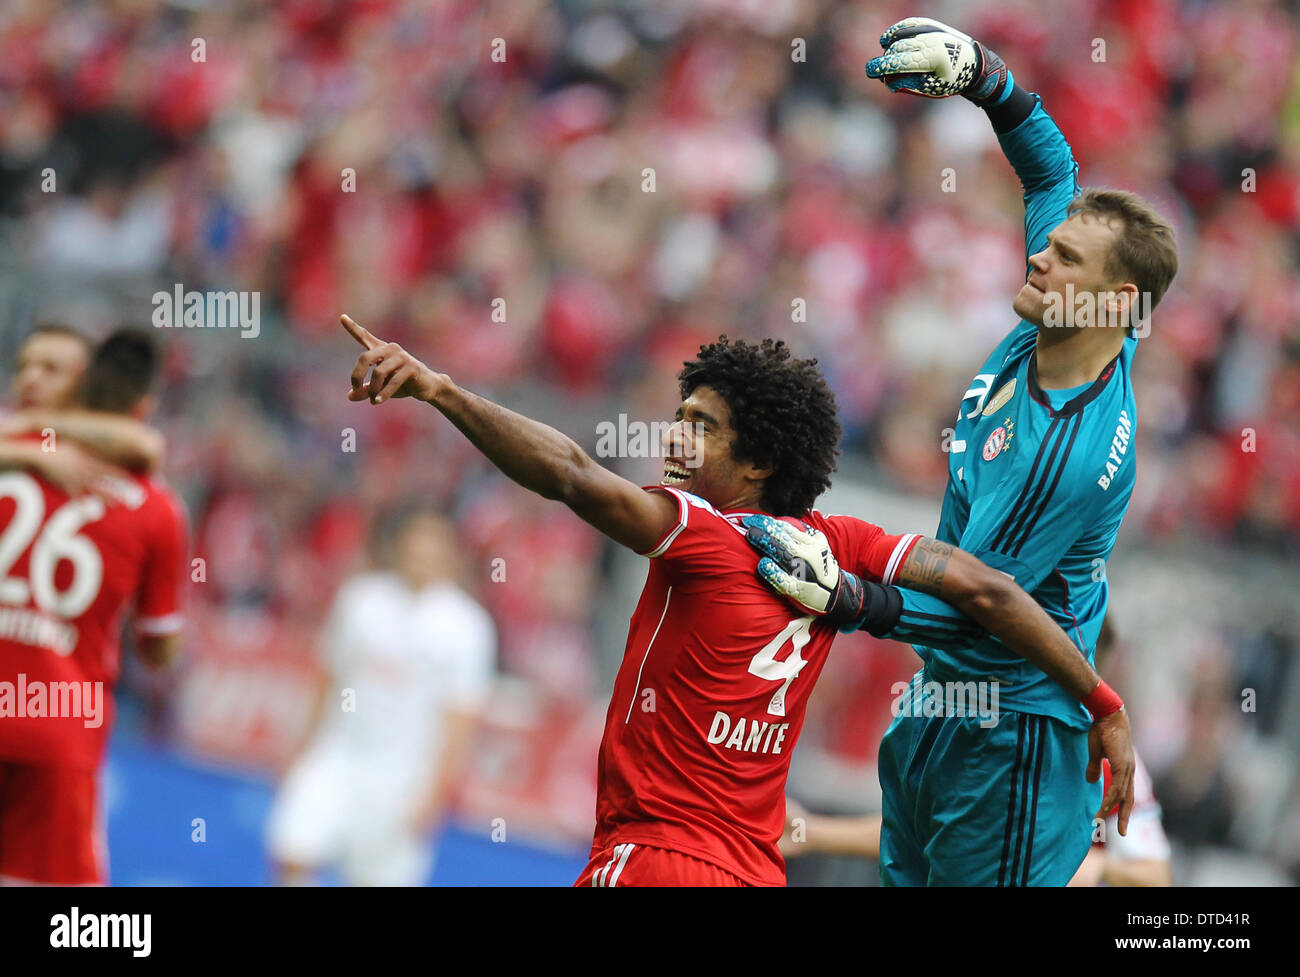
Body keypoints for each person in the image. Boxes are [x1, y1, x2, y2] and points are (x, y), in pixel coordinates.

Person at [339, 314, 1130, 887]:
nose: (677, 437)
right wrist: (1100, 700)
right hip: (752, 873)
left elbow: (575, 476)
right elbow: (987, 588)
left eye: (702, 426)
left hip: (653, 855)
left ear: (756, 463)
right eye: (681, 416)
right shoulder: (847, 542)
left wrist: (442, 391)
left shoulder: (707, 534)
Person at [759, 17, 1178, 886]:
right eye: (1049, 243)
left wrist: (850, 598)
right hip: (948, 705)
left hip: (1013, 732)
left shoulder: (1061, 451)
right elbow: (1053, 167)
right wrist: (987, 79)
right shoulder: (1092, 329)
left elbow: (977, 595)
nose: (1037, 256)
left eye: (1063, 257)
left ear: (1116, 300)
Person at [0, 328, 188, 885]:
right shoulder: (156, 507)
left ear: (84, 386)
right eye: (25, 365)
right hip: (58, 725)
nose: (31, 379)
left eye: (51, 369)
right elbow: (158, 649)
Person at [265, 506, 496, 886]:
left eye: (432, 546)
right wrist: (301, 746)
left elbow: (461, 718)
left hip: (403, 780)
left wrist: (435, 795)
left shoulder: (466, 626)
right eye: (414, 543)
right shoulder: (361, 599)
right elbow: (329, 676)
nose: (420, 554)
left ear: (450, 554)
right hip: (337, 755)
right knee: (293, 848)